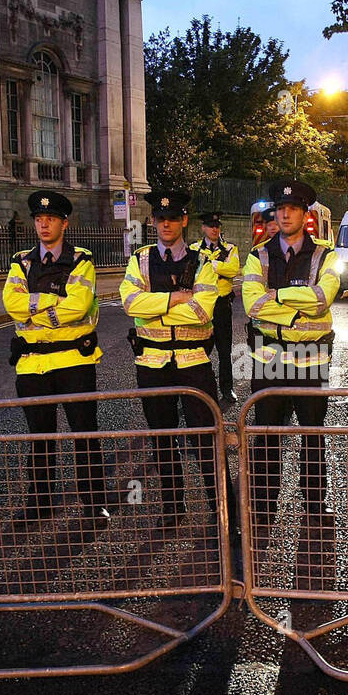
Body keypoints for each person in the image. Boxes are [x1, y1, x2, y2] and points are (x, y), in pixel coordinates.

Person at [120, 189, 231, 524]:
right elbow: (130, 305)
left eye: (172, 218)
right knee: (162, 439)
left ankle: (222, 510)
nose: (165, 224)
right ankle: (172, 508)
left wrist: (155, 304)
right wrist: (176, 299)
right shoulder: (140, 259)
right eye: (159, 218)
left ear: (183, 220)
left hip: (194, 362)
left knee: (206, 439)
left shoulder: (203, 263)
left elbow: (201, 313)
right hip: (151, 363)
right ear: (153, 221)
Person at [3, 189, 110, 525]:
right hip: (33, 363)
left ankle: (93, 505)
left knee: (84, 435)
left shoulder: (82, 260)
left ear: (65, 223)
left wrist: (35, 310)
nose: (43, 224)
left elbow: (78, 305)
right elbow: (11, 303)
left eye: (50, 219)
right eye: (38, 219)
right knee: (40, 437)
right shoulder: (21, 262)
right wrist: (53, 301)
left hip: (73, 360)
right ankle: (40, 502)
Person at [241, 179, 340, 521]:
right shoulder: (258, 254)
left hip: (310, 357)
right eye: (280, 209)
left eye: (292, 209)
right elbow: (252, 304)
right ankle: (264, 506)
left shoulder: (325, 254)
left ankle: (314, 504)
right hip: (268, 359)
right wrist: (300, 304)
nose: (285, 215)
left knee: (312, 434)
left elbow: (324, 298)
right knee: (266, 436)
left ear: (304, 214)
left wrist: (278, 296)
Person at [192, 210, 240, 404]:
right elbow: (193, 271)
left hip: (222, 304)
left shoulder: (230, 248)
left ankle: (227, 389)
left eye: (217, 226)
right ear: (203, 228)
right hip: (202, 304)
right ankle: (200, 390)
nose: (214, 229)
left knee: (224, 349)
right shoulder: (194, 248)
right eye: (211, 226)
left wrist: (211, 265)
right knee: (199, 349)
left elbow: (233, 269)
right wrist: (219, 267)